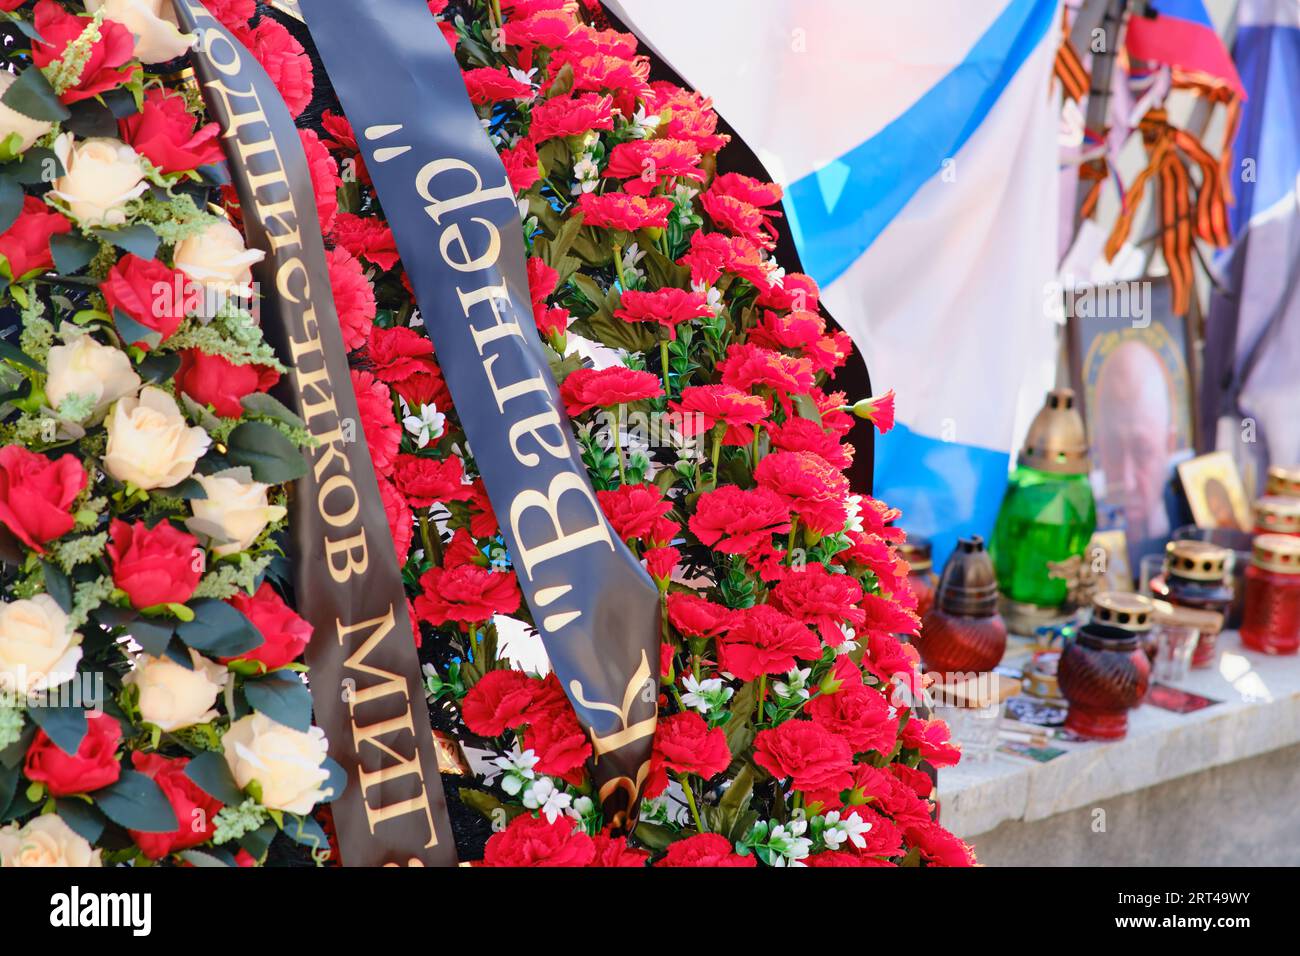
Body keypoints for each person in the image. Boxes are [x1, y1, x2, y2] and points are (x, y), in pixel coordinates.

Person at [1094, 338, 1179, 550]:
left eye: (1143, 452)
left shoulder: (1185, 521)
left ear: (1169, 445)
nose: (1128, 481)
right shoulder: (1083, 524)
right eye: (1114, 451)